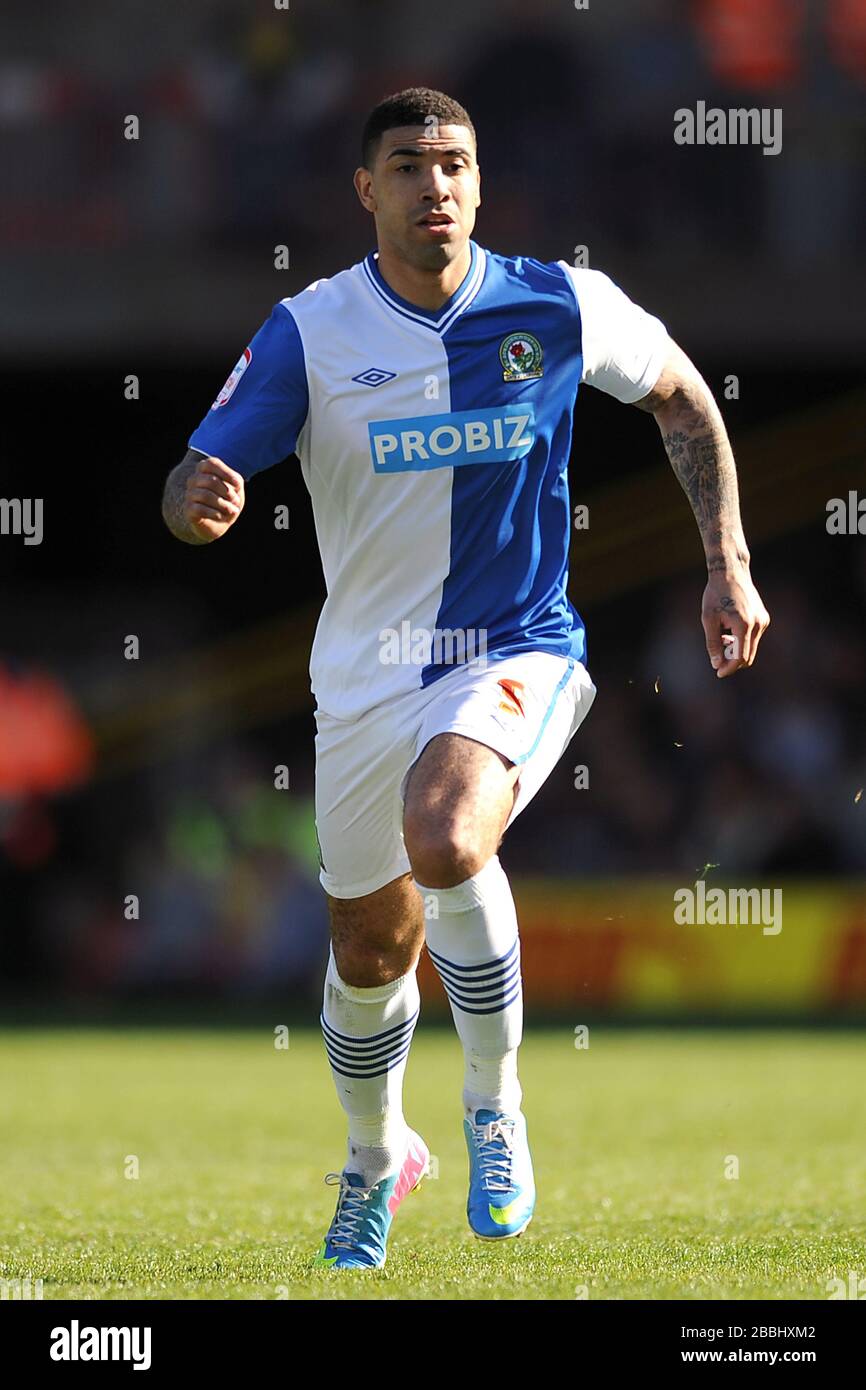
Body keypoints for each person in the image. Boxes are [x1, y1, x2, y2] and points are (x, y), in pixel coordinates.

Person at [161, 87, 770, 1269]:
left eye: (453, 163)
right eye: (406, 165)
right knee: (369, 952)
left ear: (479, 183)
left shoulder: (555, 301)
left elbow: (682, 395)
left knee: (446, 839)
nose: (432, 184)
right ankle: (377, 1157)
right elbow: (194, 479)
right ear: (365, 190)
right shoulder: (310, 330)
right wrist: (198, 505)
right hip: (362, 679)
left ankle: (493, 1108)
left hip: (514, 646)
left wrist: (726, 564)